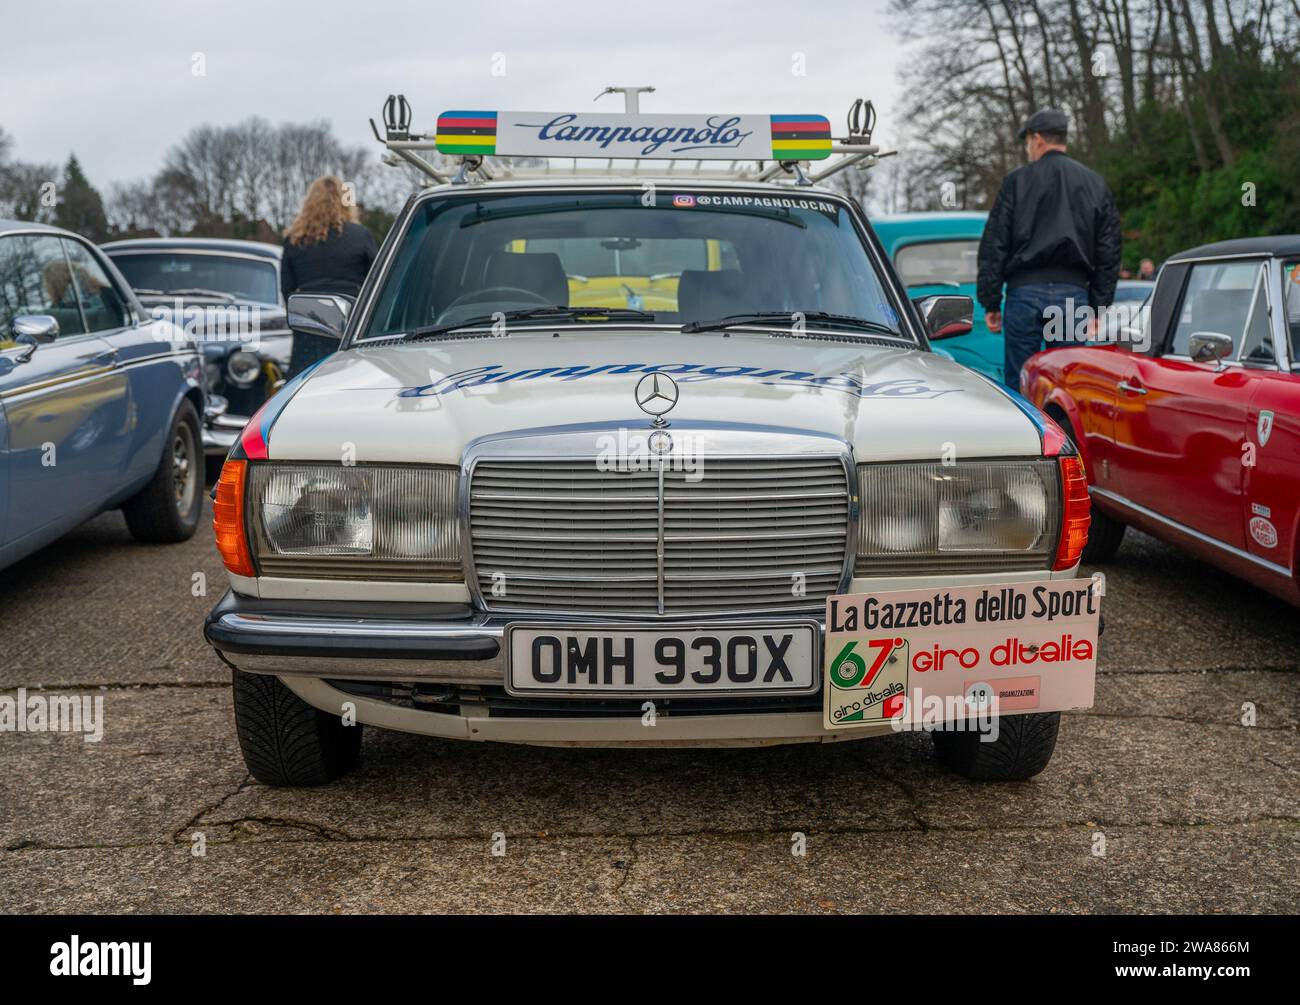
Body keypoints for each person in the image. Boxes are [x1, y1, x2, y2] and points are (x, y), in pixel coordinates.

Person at [977, 109, 1122, 390]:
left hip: (1024, 294)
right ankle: (1062, 435)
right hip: (1073, 295)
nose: (1028, 149)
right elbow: (1109, 250)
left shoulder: (1016, 182)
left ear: (1038, 139)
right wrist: (1098, 306)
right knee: (1067, 388)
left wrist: (991, 300)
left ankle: (1025, 434)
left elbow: (995, 242)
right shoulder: (1095, 183)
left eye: (1028, 142)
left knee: (1021, 384)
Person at [281, 176, 378, 376]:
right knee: (348, 377)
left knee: (305, 380)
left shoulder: (294, 240)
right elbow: (378, 281)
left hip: (308, 321)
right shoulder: (360, 235)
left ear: (309, 203)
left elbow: (287, 288)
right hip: (351, 319)